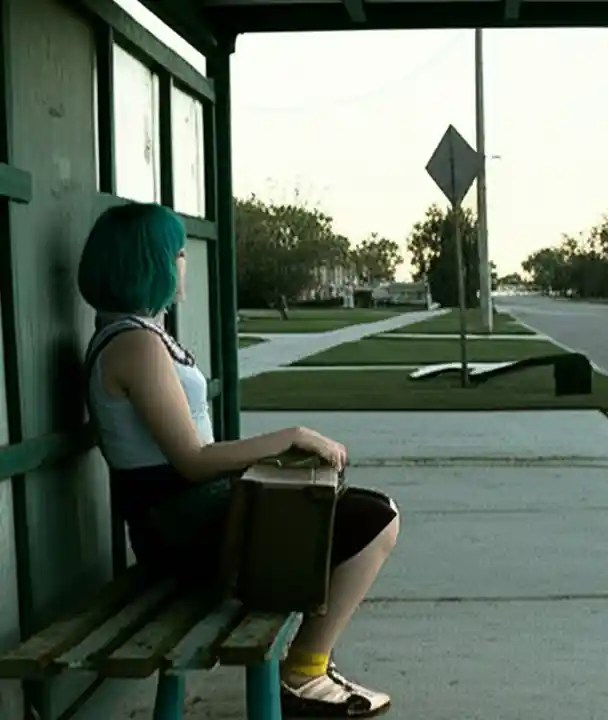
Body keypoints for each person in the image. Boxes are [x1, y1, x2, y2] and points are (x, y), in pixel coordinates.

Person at [78, 202, 400, 718]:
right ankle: (304, 672)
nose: (184, 264)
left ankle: (312, 664)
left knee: (349, 507)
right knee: (376, 521)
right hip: (182, 527)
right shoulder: (134, 345)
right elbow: (193, 460)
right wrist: (290, 436)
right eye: (177, 253)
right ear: (148, 262)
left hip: (195, 514)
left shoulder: (139, 335)